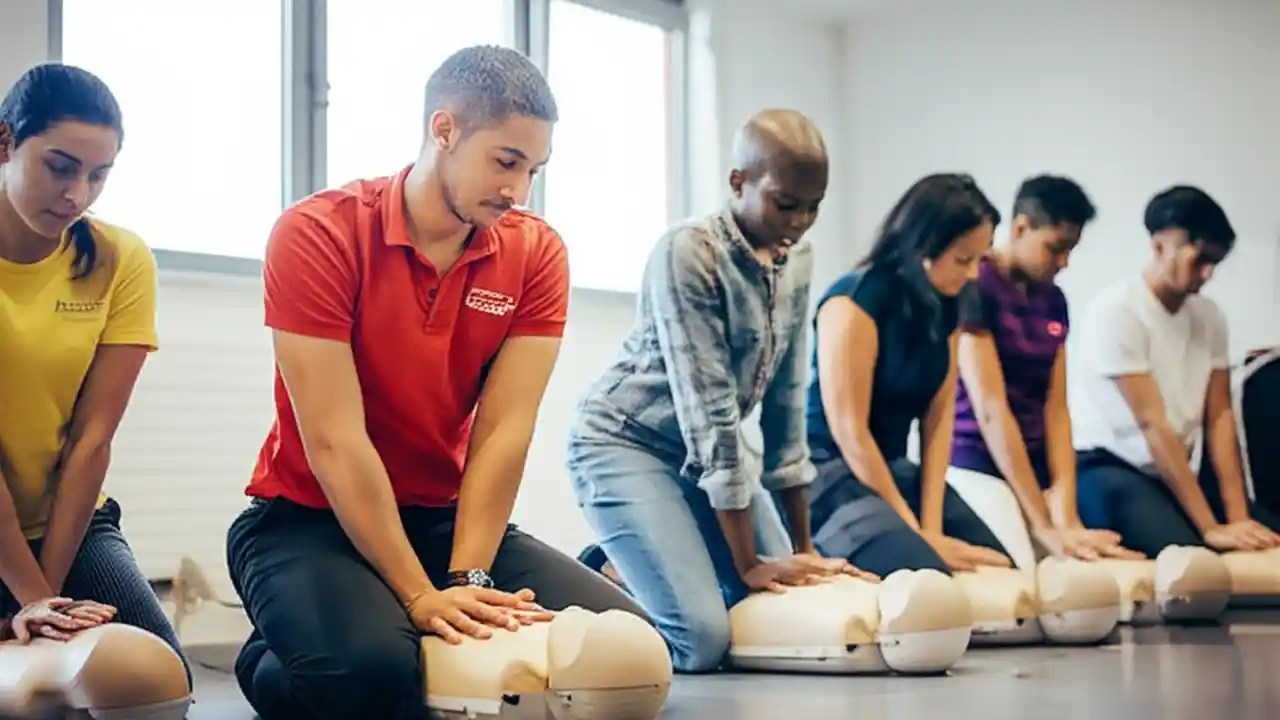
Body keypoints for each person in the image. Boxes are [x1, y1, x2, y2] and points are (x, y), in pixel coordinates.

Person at [225, 45, 646, 720]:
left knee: (629, 650)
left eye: (533, 169)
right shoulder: (317, 233)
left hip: (440, 521)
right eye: (506, 161)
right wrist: (420, 597)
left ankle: (368, 615)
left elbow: (505, 429)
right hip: (306, 521)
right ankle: (275, 651)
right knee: (371, 676)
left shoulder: (536, 253)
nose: (518, 191)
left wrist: (466, 578)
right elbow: (334, 439)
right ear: (443, 131)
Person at [567, 109, 871, 674]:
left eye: (814, 206)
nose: (801, 220)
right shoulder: (689, 253)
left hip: (702, 457)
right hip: (625, 444)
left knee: (792, 596)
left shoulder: (795, 258)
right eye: (786, 203)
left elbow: (785, 408)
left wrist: (800, 550)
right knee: (702, 640)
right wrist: (750, 563)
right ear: (738, 182)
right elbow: (711, 418)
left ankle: (644, 559)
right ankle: (605, 569)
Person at [0, 64, 185, 668]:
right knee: (32, 685)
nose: (77, 194)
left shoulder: (119, 258)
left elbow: (92, 439)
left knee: (154, 676)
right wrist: (35, 599)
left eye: (98, 175)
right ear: (5, 143)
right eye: (59, 167)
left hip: (68, 524)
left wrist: (48, 597)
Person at [805, 173, 1014, 577]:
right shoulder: (853, 303)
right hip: (829, 470)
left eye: (979, 259)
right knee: (929, 576)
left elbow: (938, 423)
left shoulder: (948, 304)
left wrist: (931, 526)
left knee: (1003, 572)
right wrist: (917, 535)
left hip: (892, 466)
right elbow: (851, 432)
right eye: (962, 259)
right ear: (924, 247)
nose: (974, 275)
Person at [1072, 185, 1280, 557]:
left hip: (1175, 470)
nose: (1207, 274)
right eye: (1200, 259)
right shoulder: (1118, 311)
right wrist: (1211, 528)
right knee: (1193, 559)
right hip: (1108, 468)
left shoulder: (1209, 316)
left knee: (1263, 540)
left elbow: (1219, 417)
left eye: (1215, 263)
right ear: (1159, 245)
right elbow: (1154, 427)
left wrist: (1236, 517)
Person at [946, 175, 1139, 570]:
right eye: (1056, 248)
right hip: (977, 464)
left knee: (1085, 567)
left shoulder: (1054, 300)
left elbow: (1057, 410)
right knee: (1027, 572)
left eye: (1070, 250)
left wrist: (1066, 507)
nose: (1063, 262)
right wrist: (1043, 523)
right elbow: (990, 408)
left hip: (1035, 466)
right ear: (1020, 228)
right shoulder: (976, 284)